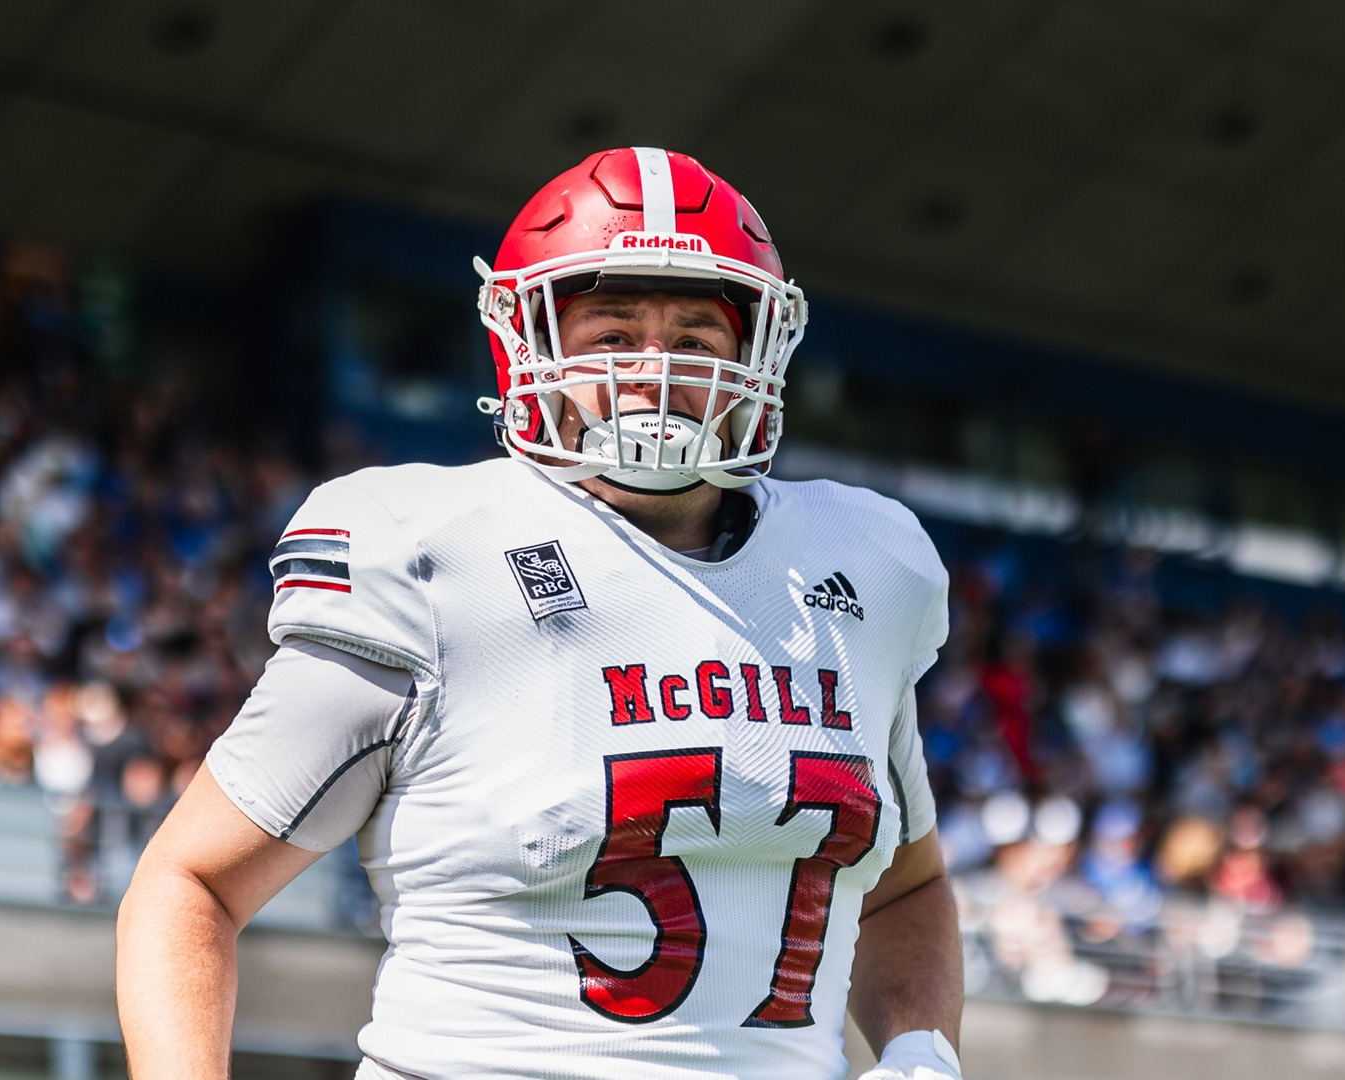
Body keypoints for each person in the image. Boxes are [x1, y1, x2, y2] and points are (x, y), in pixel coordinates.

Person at [117, 148, 963, 1080]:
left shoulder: (863, 569)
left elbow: (902, 890)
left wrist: (923, 1049)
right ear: (530, 346)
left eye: (695, 337)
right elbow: (189, 883)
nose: (656, 369)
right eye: (611, 335)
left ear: (759, 352)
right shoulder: (432, 553)